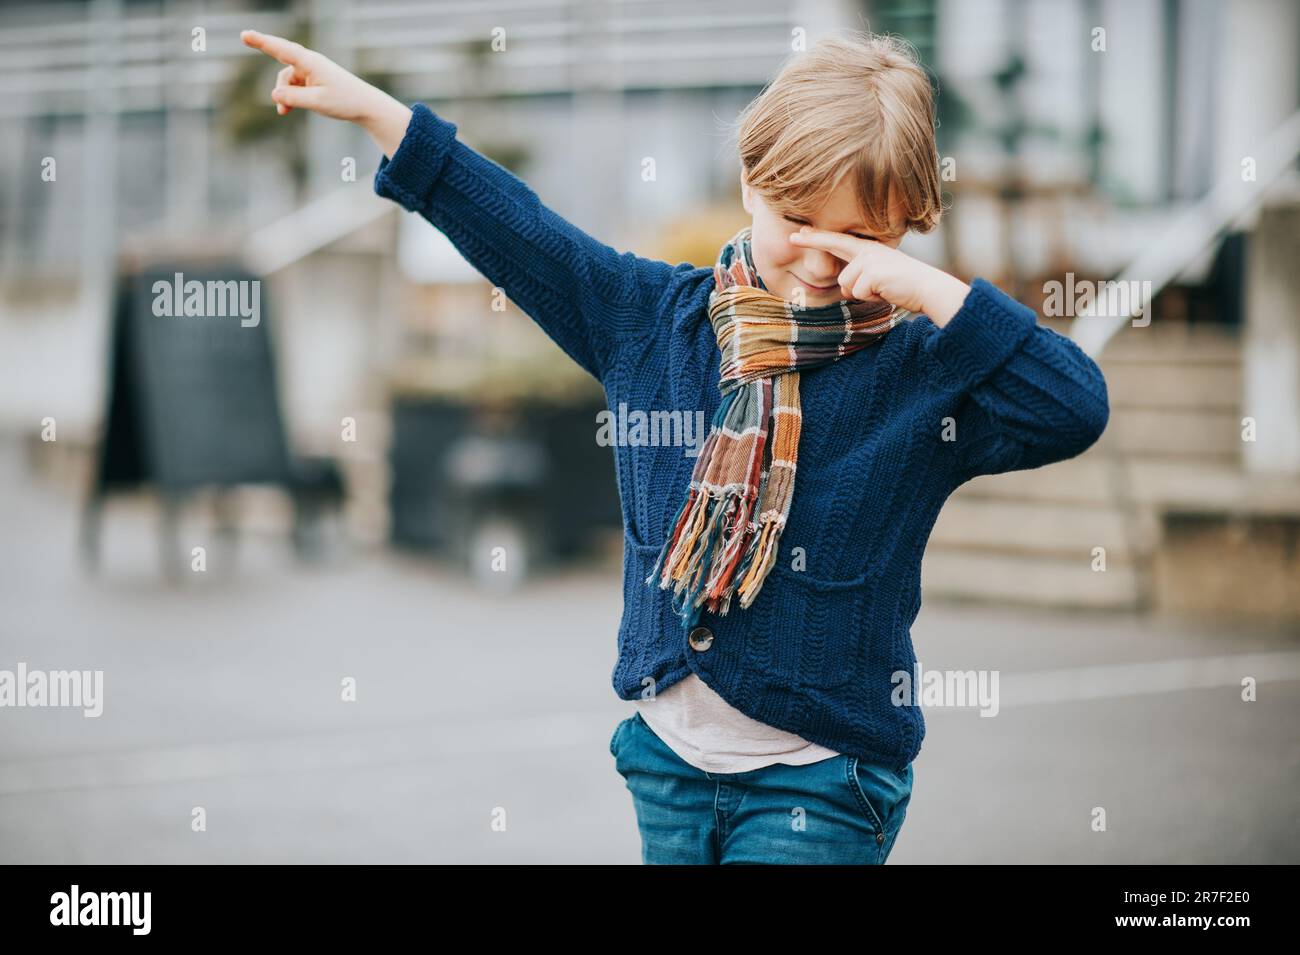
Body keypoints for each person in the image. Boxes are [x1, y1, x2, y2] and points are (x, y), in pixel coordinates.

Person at [240, 27, 1110, 864]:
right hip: (667, 769)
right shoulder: (649, 321)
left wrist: (933, 289)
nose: (818, 261)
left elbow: (1072, 404)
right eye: (796, 219)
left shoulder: (923, 369)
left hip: (823, 783)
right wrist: (378, 115)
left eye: (860, 238)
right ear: (748, 183)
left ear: (904, 228)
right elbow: (520, 233)